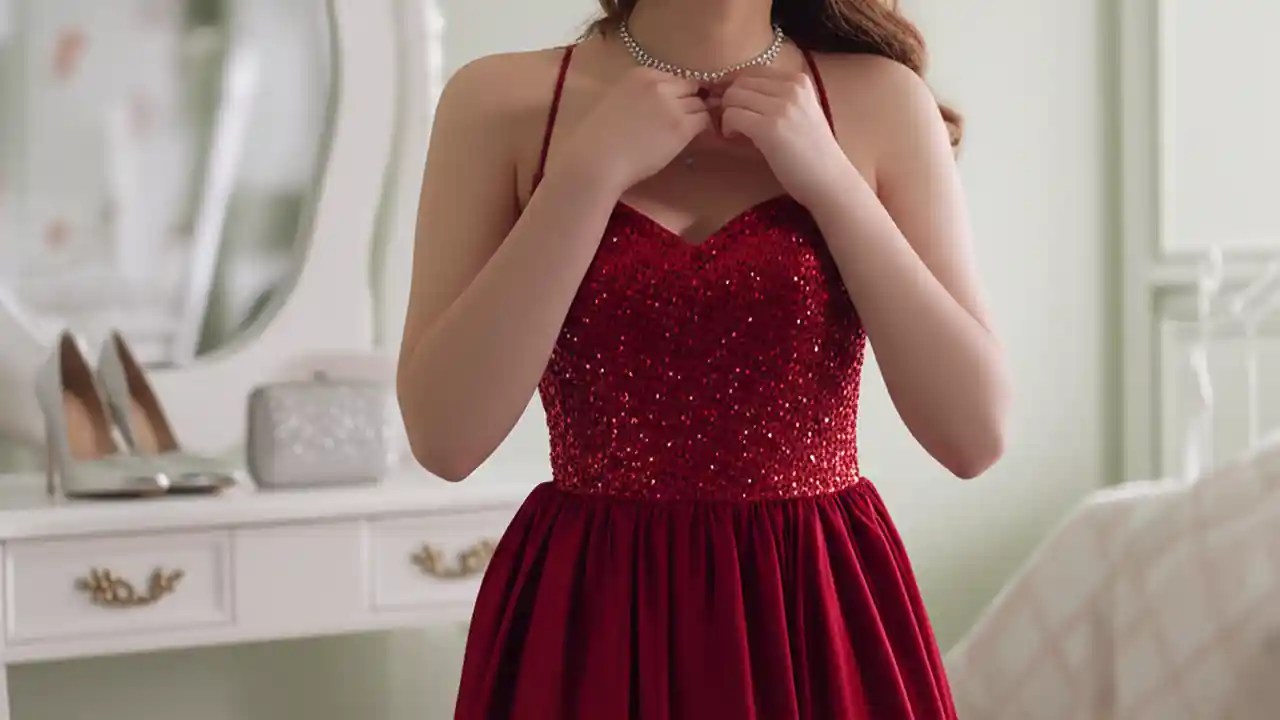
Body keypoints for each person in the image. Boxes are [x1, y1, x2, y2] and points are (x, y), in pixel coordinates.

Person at [397, 0, 1011, 717]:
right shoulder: (497, 102)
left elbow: (975, 435)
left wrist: (832, 181)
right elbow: (445, 438)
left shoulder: (879, 100)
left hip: (812, 609)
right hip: (591, 616)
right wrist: (588, 174)